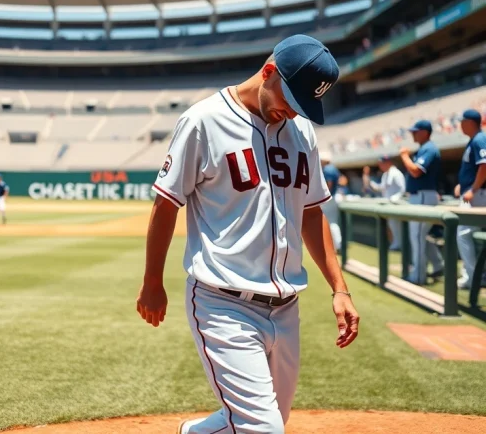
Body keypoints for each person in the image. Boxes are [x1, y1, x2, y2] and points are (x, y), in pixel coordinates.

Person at [136, 34, 359, 434]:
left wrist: (339, 288)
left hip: (286, 304)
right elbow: (166, 204)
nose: (293, 113)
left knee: (270, 420)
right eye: (290, 101)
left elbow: (311, 213)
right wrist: (153, 281)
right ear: (269, 72)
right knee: (265, 429)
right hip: (222, 302)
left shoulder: (301, 130)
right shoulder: (203, 121)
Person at [399, 120, 444, 285]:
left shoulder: (429, 148)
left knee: (417, 236)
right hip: (420, 196)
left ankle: (418, 276)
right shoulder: (424, 148)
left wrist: (404, 156)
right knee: (421, 236)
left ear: (425, 132)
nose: (412, 133)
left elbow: (416, 171)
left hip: (423, 196)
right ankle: (438, 264)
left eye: (415, 131)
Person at [454, 109, 486, 290]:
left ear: (470, 122)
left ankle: (473, 276)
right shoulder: (474, 140)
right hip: (476, 192)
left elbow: (484, 165)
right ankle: (474, 274)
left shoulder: (480, 139)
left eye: (462, 121)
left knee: (463, 233)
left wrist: (472, 189)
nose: (460, 124)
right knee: (466, 234)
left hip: (479, 193)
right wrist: (463, 185)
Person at [362, 155, 406, 250]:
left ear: (389, 163)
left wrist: (395, 198)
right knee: (391, 226)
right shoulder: (386, 174)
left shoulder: (396, 173)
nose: (381, 166)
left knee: (397, 227)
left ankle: (400, 245)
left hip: (396, 205)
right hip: (388, 204)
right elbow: (381, 188)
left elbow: (402, 189)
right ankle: (396, 244)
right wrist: (369, 182)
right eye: (380, 164)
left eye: (382, 163)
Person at [320, 151, 342, 251]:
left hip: (329, 198)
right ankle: (336, 244)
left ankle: (338, 244)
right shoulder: (333, 168)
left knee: (331, 222)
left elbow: (329, 184)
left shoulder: (328, 169)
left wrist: (324, 195)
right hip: (333, 196)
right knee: (332, 222)